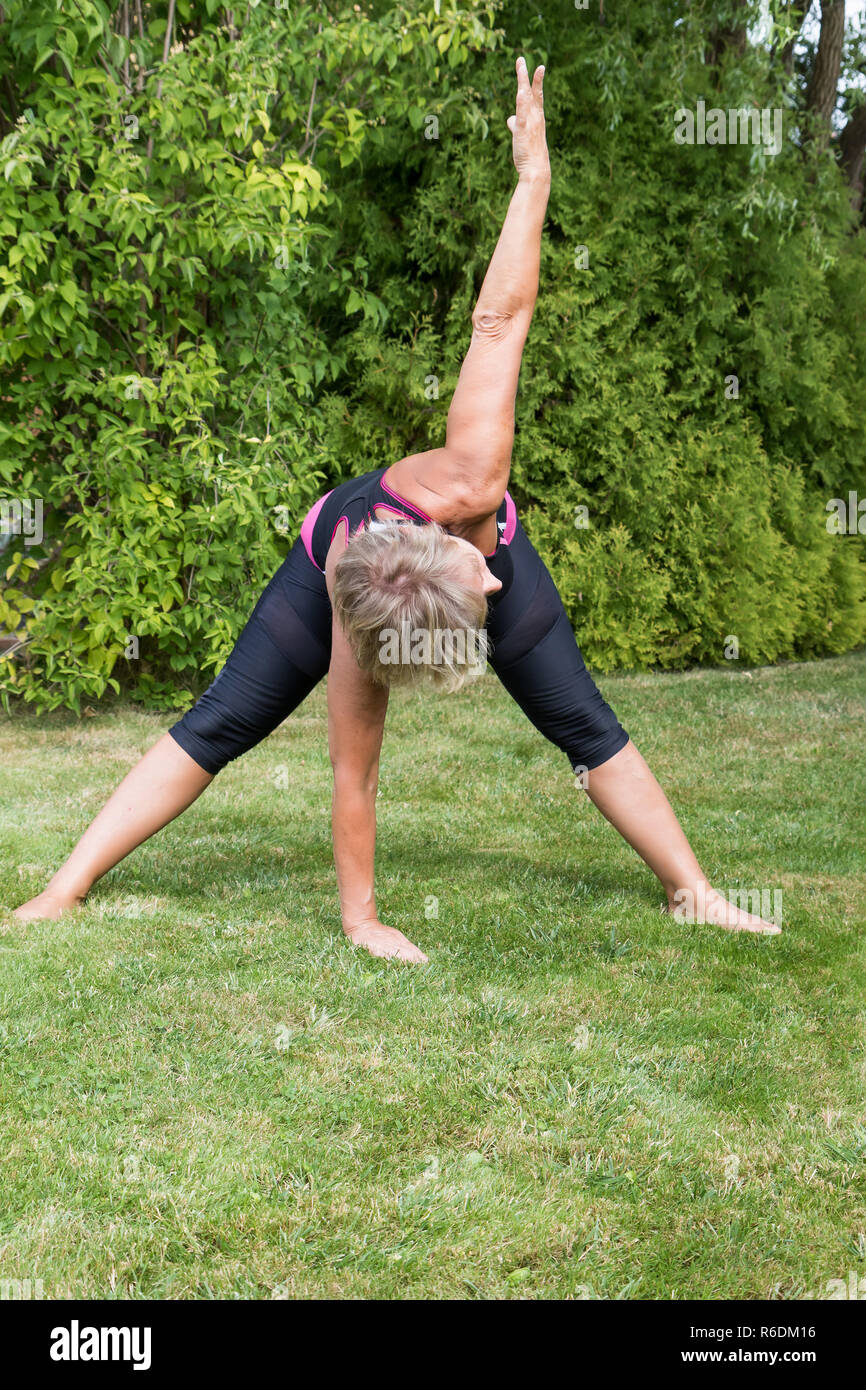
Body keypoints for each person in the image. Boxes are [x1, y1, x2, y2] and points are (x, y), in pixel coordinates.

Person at [14, 58, 780, 958]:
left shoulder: (473, 476)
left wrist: (534, 177)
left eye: (480, 575)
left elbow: (500, 319)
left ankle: (692, 891)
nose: (495, 573)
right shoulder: (360, 620)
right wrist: (362, 921)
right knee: (224, 720)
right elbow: (355, 773)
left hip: (416, 544)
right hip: (342, 574)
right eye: (484, 582)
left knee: (584, 721)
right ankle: (64, 887)